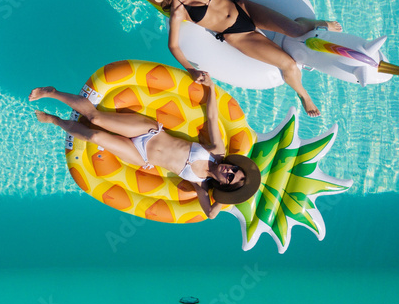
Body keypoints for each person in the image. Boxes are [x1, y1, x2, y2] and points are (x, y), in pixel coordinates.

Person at [30, 77, 260, 218]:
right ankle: (52, 92)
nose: (229, 171)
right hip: (149, 132)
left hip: (140, 156)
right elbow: (212, 118)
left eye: (230, 178)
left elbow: (210, 214)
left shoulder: (201, 185)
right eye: (234, 169)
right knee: (96, 118)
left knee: (95, 136)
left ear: (224, 185)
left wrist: (227, 197)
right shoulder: (216, 152)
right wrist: (210, 88)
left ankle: (55, 120)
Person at [151, 0, 341, 117]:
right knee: (289, 66)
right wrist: (191, 70)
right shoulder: (179, 12)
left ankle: (317, 24)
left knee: (296, 29)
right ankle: (304, 96)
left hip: (244, 9)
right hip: (238, 35)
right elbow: (173, 46)